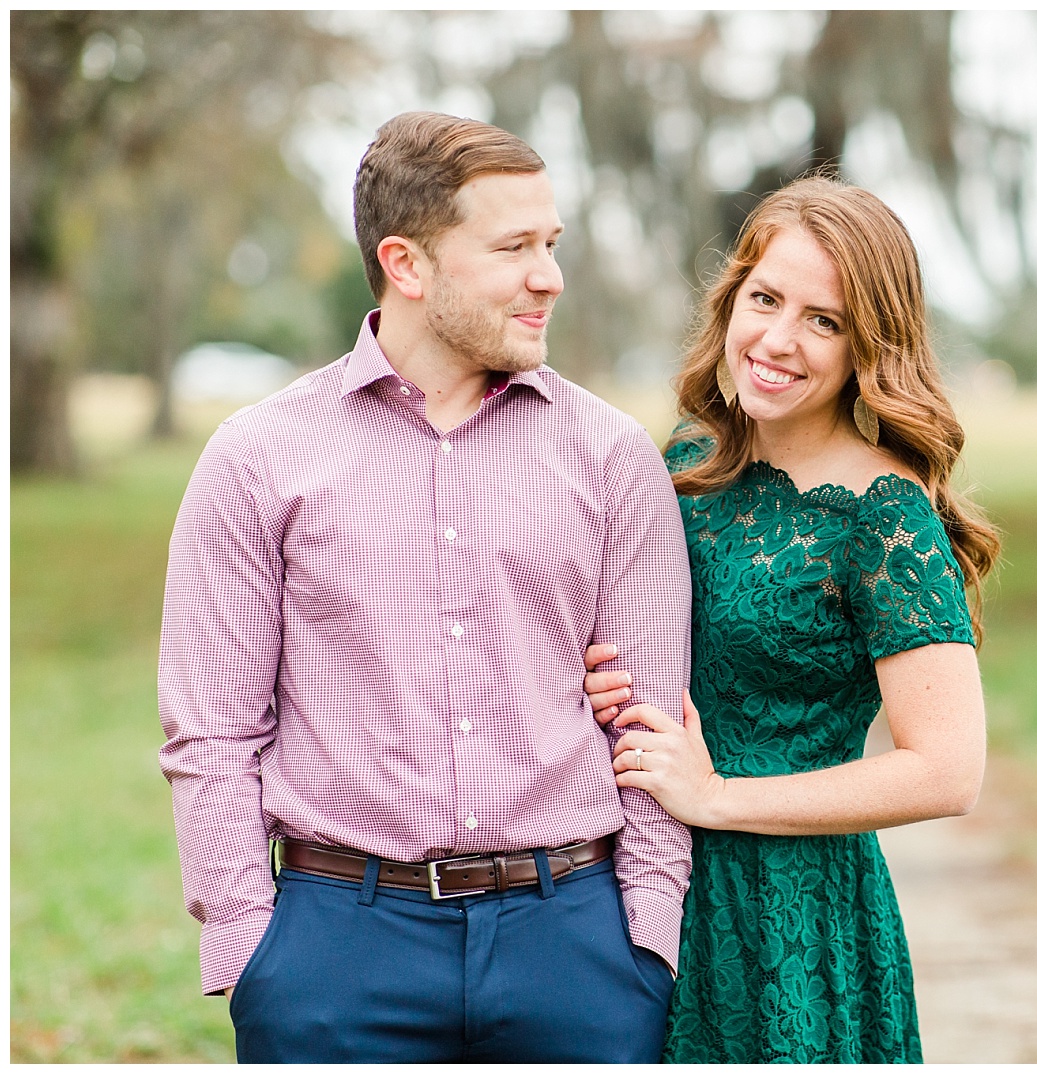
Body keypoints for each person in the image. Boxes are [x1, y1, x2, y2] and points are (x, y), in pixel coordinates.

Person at [157, 111, 691, 1063]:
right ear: (405, 264)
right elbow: (212, 730)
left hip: (575, 946)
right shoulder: (257, 457)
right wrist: (252, 948)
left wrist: (646, 938)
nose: (549, 277)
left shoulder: (612, 456)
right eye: (513, 248)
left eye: (552, 243)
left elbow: (654, 724)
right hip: (335, 953)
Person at [582, 175, 1000, 1063]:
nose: (778, 340)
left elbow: (948, 770)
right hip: (641, 878)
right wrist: (602, 679)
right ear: (732, 299)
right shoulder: (687, 461)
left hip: (790, 911)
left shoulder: (882, 515)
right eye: (766, 299)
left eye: (824, 321)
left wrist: (717, 798)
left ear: (868, 346)